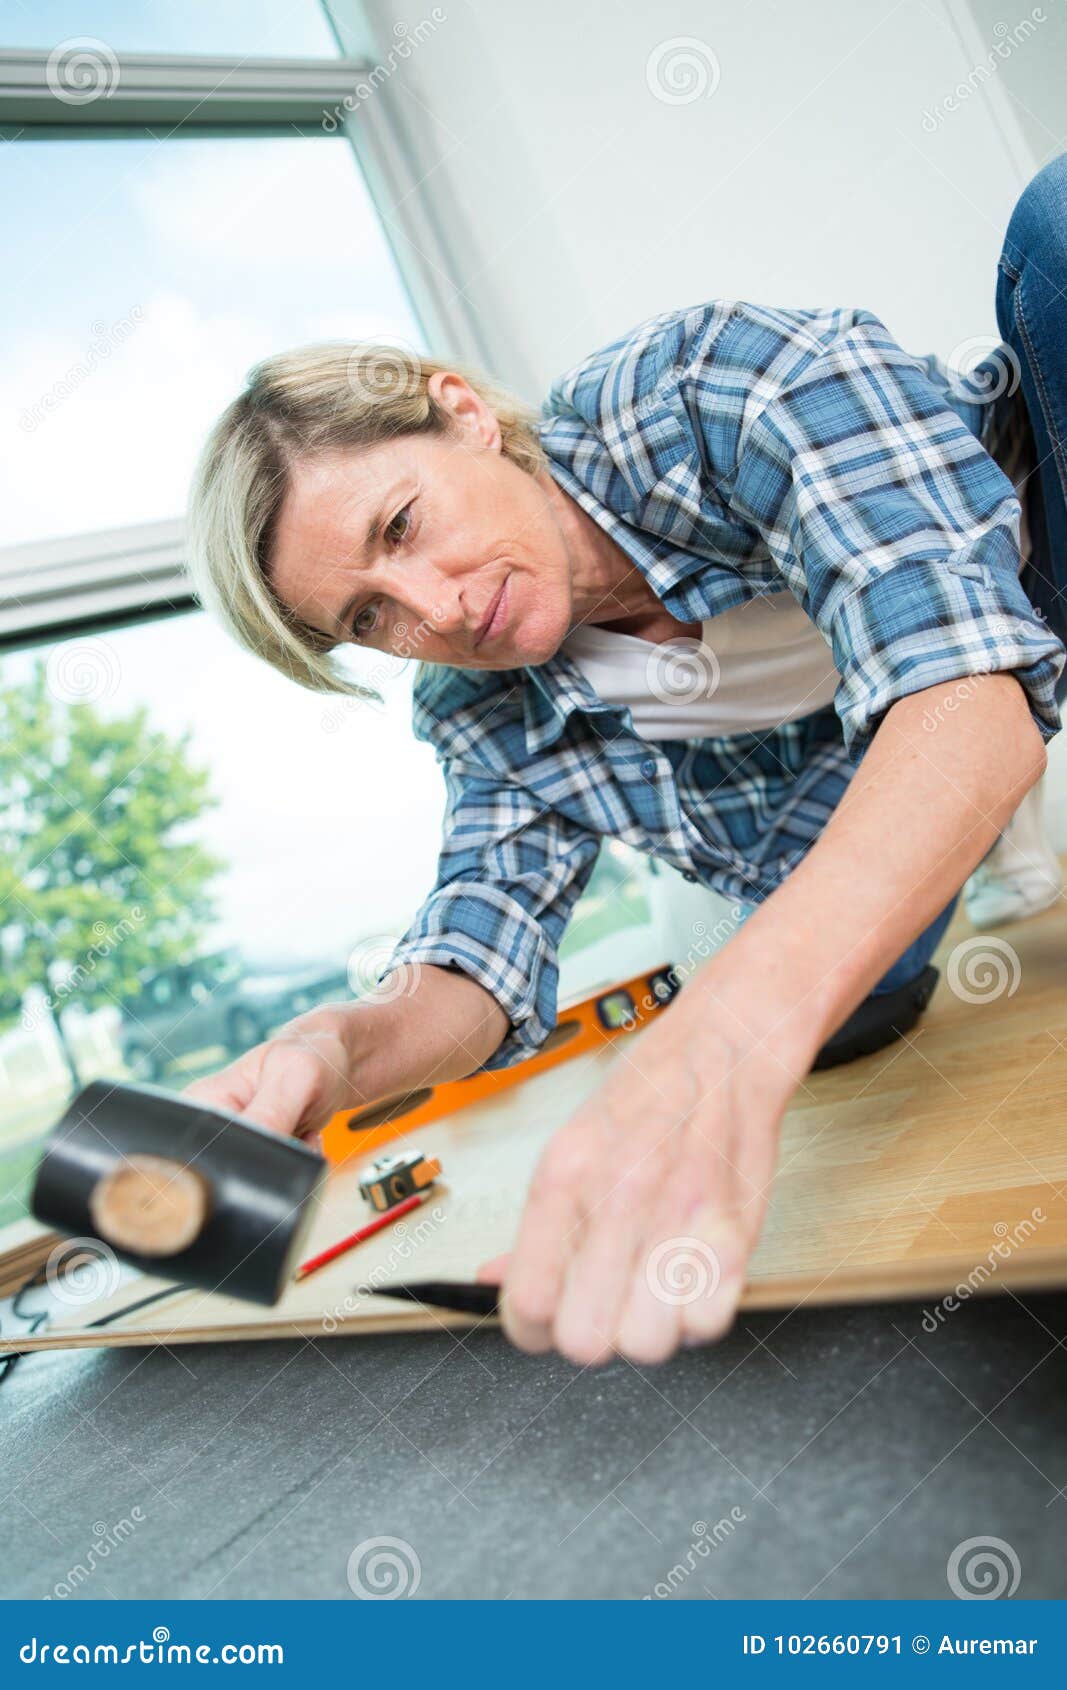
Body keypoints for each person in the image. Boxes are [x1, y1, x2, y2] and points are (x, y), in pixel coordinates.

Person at [186, 153, 1067, 1366]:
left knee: (1056, 225)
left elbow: (964, 693)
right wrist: (338, 1045)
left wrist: (716, 1039)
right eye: (369, 618)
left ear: (461, 411)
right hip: (836, 796)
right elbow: (475, 958)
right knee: (839, 1016)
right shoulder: (479, 710)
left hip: (1033, 551)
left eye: (402, 527)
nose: (430, 611)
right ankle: (936, 854)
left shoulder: (708, 384)